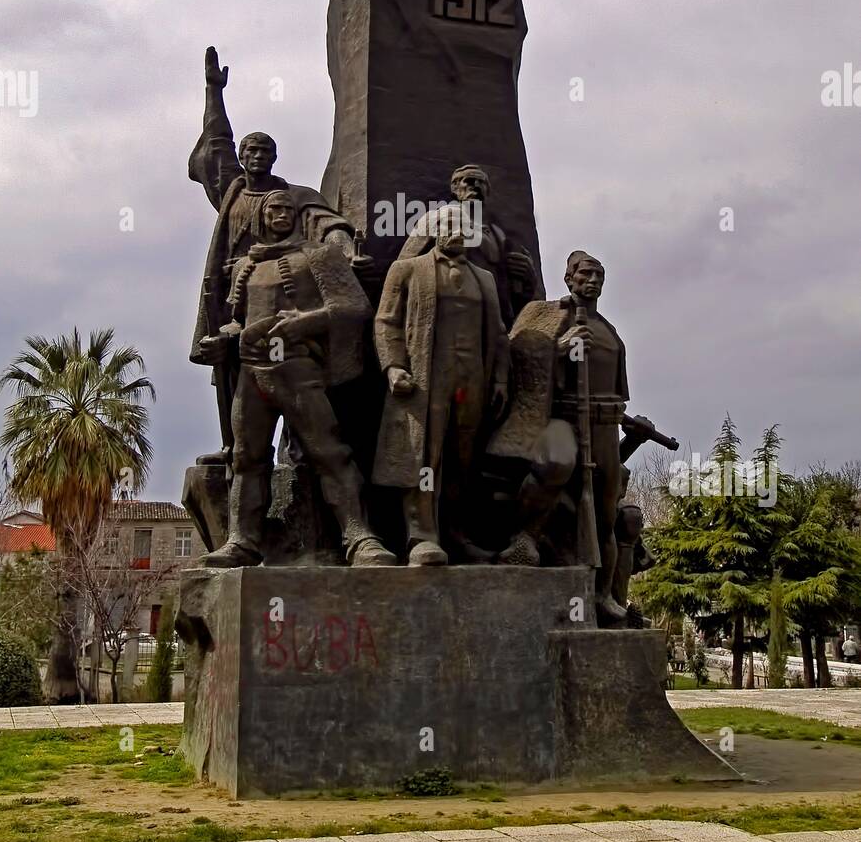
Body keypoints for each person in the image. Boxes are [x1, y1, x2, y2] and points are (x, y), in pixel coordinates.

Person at [198, 190, 394, 569]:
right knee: (246, 458)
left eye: (287, 209)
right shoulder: (246, 266)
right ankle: (242, 540)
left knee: (330, 452)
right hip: (252, 370)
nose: (281, 215)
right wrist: (223, 338)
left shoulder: (318, 256)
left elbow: (354, 306)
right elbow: (238, 319)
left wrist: (305, 322)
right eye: (274, 209)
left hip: (298, 366)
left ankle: (359, 537)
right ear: (262, 217)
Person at [189, 47, 357, 455]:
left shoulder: (291, 198)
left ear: (275, 157)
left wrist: (342, 248)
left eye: (265, 150)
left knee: (290, 370)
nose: (258, 156)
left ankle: (297, 447)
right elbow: (216, 146)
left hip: (278, 294)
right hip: (233, 293)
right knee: (228, 368)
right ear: (243, 159)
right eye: (252, 151)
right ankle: (232, 445)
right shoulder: (232, 190)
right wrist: (215, 92)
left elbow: (327, 222)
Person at [487, 250, 630, 622]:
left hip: (604, 425)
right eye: (585, 273)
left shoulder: (609, 332)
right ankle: (525, 537)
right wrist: (557, 348)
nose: (593, 280)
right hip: (562, 416)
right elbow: (513, 352)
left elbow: (613, 389)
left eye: (599, 274)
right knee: (555, 462)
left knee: (607, 514)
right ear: (569, 278)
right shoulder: (546, 313)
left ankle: (603, 594)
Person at [372, 224, 508, 564]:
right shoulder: (407, 269)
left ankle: (456, 533)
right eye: (449, 226)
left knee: (463, 458)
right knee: (425, 456)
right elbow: (385, 321)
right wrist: (393, 366)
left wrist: (501, 379)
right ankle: (422, 535)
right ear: (433, 232)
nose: (457, 232)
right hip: (426, 377)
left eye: (464, 227)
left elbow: (499, 333)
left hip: (472, 381)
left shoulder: (484, 279)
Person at [398, 163, 538, 327]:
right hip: (449, 315)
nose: (476, 186)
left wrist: (529, 278)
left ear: (488, 191)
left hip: (491, 322)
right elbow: (402, 268)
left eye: (481, 182)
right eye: (469, 181)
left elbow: (512, 297)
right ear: (455, 188)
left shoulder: (498, 235)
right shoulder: (436, 219)